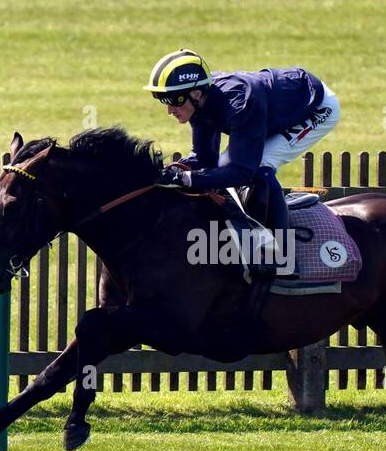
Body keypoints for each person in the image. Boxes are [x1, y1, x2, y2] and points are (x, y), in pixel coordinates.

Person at [144, 49, 340, 279]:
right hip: (270, 112)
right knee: (221, 166)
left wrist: (189, 178)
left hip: (315, 107)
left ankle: (285, 258)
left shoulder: (239, 103)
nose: (169, 109)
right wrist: (179, 169)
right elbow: (204, 158)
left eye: (173, 99)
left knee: (260, 167)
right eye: (162, 100)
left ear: (196, 93)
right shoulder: (201, 102)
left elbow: (242, 171)